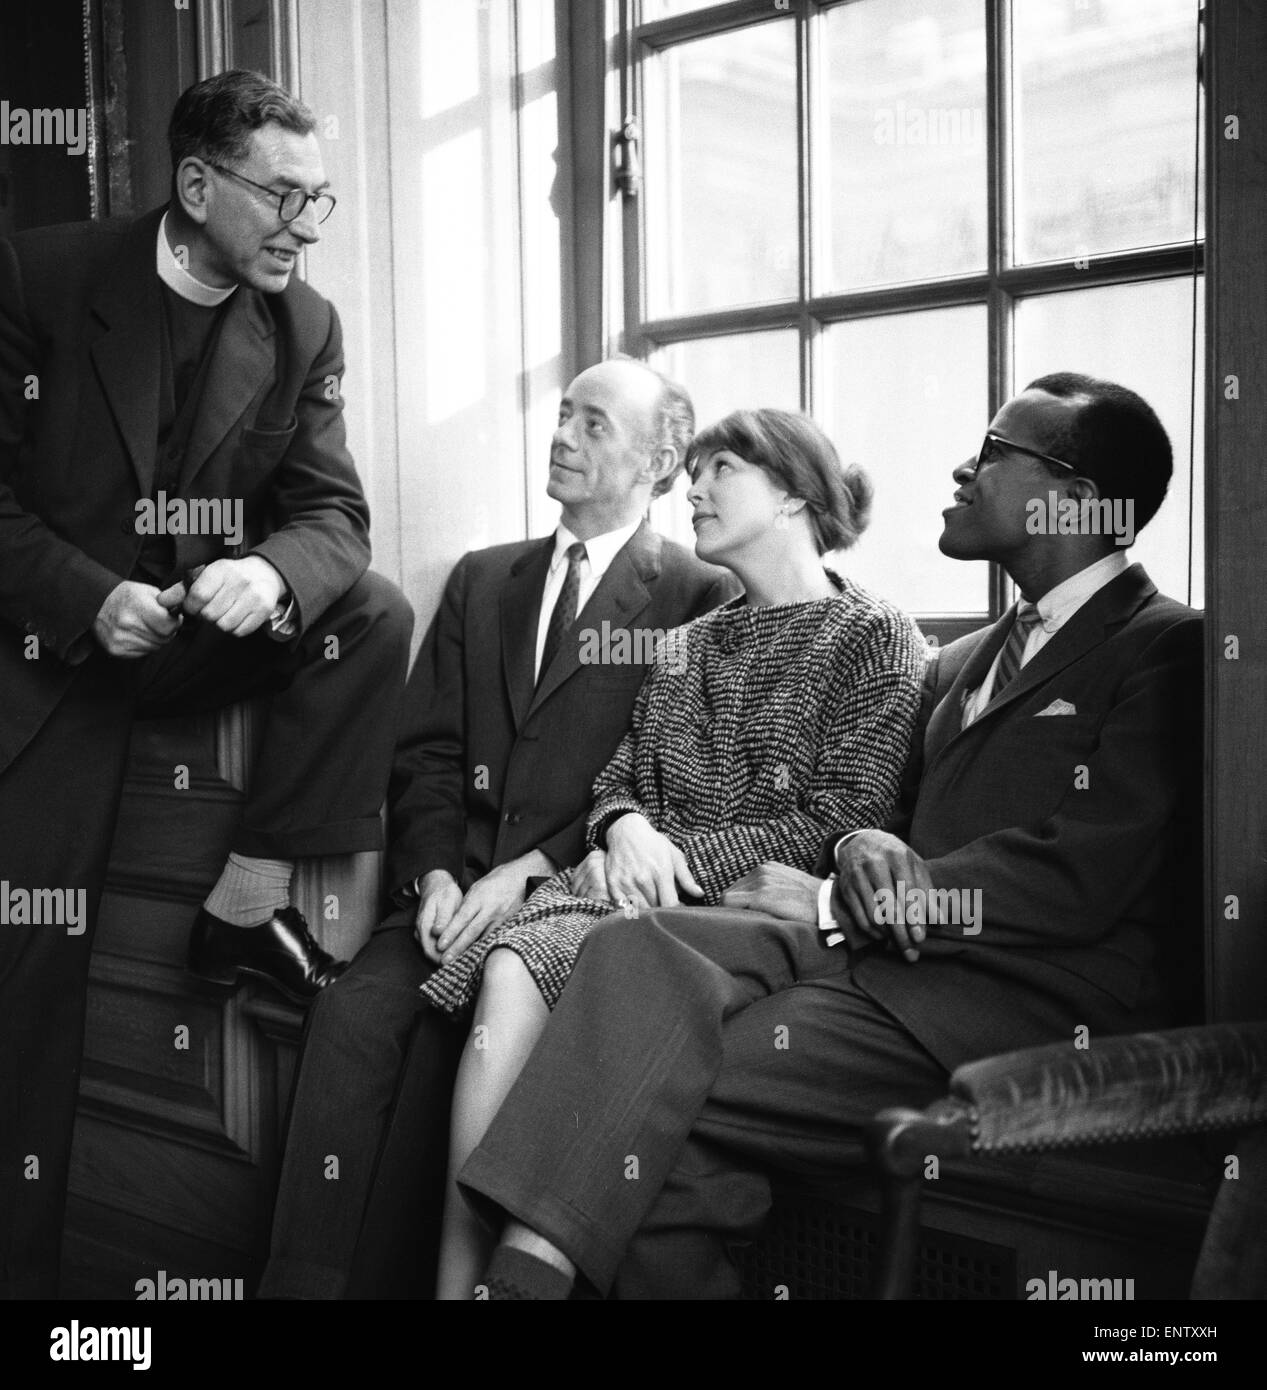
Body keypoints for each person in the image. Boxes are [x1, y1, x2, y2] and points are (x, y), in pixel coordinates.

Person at [447, 373, 1203, 1300]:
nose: (965, 468)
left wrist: (840, 892)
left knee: (643, 1086)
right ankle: (530, 1274)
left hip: (1033, 1005)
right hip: (884, 971)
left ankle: (516, 1284)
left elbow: (1081, 875)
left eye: (997, 452)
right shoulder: (962, 661)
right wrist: (849, 858)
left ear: (1076, 498)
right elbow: (875, 822)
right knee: (636, 981)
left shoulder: (1168, 645)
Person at [0, 70, 413, 1299]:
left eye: (318, 197)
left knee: (372, 612)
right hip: (55, 655)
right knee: (29, 971)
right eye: (283, 195)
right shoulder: (38, 280)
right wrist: (85, 597)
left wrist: (274, 577)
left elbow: (336, 512)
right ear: (196, 185)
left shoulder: (305, 325)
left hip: (195, 634)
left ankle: (250, 891)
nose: (305, 224)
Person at [257, 357, 736, 1300]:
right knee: (352, 1020)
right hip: (446, 896)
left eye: (594, 424)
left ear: (661, 461)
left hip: (565, 908)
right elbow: (427, 753)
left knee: (469, 1045)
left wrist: (528, 870)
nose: (561, 436)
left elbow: (662, 781)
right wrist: (434, 876)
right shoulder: (483, 581)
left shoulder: (697, 596)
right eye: (563, 415)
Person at [426, 406, 927, 1298]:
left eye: (720, 469)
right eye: (691, 471)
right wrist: (623, 828)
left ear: (792, 495)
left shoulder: (874, 634)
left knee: (526, 960)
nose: (691, 490)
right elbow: (619, 781)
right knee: (509, 959)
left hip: (744, 923)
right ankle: (462, 1286)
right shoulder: (687, 642)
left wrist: (670, 854)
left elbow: (846, 816)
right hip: (626, 896)